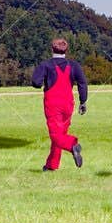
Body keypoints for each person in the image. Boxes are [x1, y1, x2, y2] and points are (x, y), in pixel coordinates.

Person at [30, 38, 87, 171]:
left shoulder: (46, 65)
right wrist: (83, 101)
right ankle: (51, 165)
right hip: (68, 104)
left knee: (56, 136)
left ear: (52, 49)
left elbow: (36, 83)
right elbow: (82, 83)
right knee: (60, 133)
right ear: (66, 50)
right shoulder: (74, 65)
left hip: (53, 103)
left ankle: (73, 145)